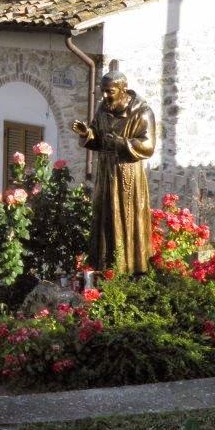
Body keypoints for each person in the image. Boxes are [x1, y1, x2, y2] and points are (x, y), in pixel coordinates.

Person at [71, 60, 156, 275]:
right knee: (104, 218)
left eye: (110, 92)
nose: (105, 96)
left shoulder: (142, 112)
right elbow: (97, 136)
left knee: (127, 218)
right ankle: (103, 266)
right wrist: (86, 134)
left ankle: (129, 269)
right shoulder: (103, 109)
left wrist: (119, 142)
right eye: (103, 92)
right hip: (106, 172)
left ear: (123, 90)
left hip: (128, 174)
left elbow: (148, 146)